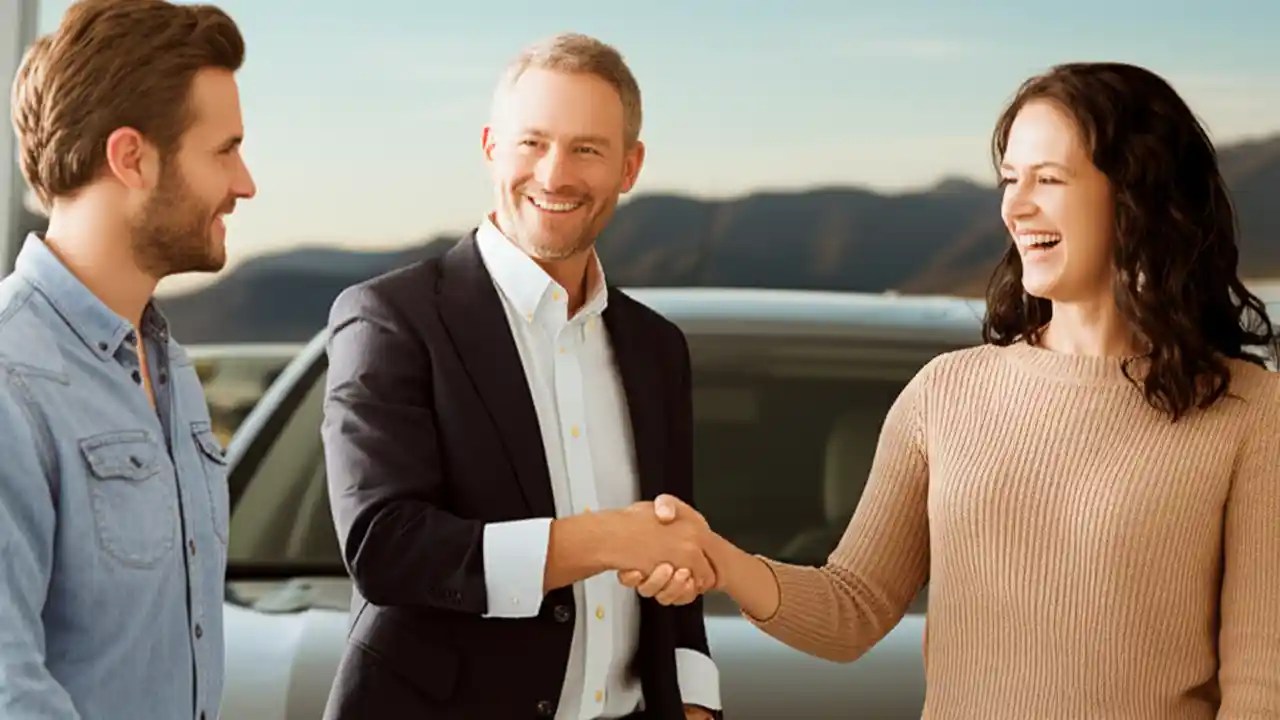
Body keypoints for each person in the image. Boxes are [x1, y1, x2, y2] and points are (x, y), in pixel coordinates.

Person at [625, 61, 1280, 717]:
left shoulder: (1250, 415)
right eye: (1010, 180)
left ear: (1140, 195)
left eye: (1048, 180)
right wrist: (721, 561)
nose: (1016, 207)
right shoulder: (946, 393)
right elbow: (854, 607)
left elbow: (1260, 691)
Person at [320, 33, 721, 720]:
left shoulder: (658, 348)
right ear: (490, 148)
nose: (555, 174)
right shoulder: (391, 318)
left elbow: (670, 555)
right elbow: (385, 547)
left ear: (630, 166)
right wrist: (603, 538)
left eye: (587, 149)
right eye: (532, 143)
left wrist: (695, 702)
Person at [0, 1, 256, 719]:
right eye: (224, 150)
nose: (245, 183)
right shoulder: (10, 382)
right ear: (131, 158)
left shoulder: (169, 369)